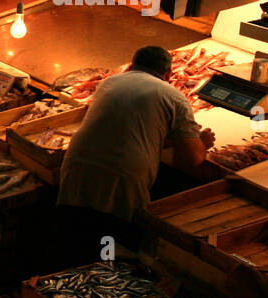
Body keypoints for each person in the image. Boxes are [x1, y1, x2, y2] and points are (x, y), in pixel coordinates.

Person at [57, 45, 214, 265]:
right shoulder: (174, 97)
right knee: (113, 246)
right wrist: (203, 143)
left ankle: (69, 274)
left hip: (77, 167)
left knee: (78, 237)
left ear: (131, 66)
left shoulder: (109, 83)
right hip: (122, 177)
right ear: (168, 75)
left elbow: (128, 123)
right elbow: (192, 159)